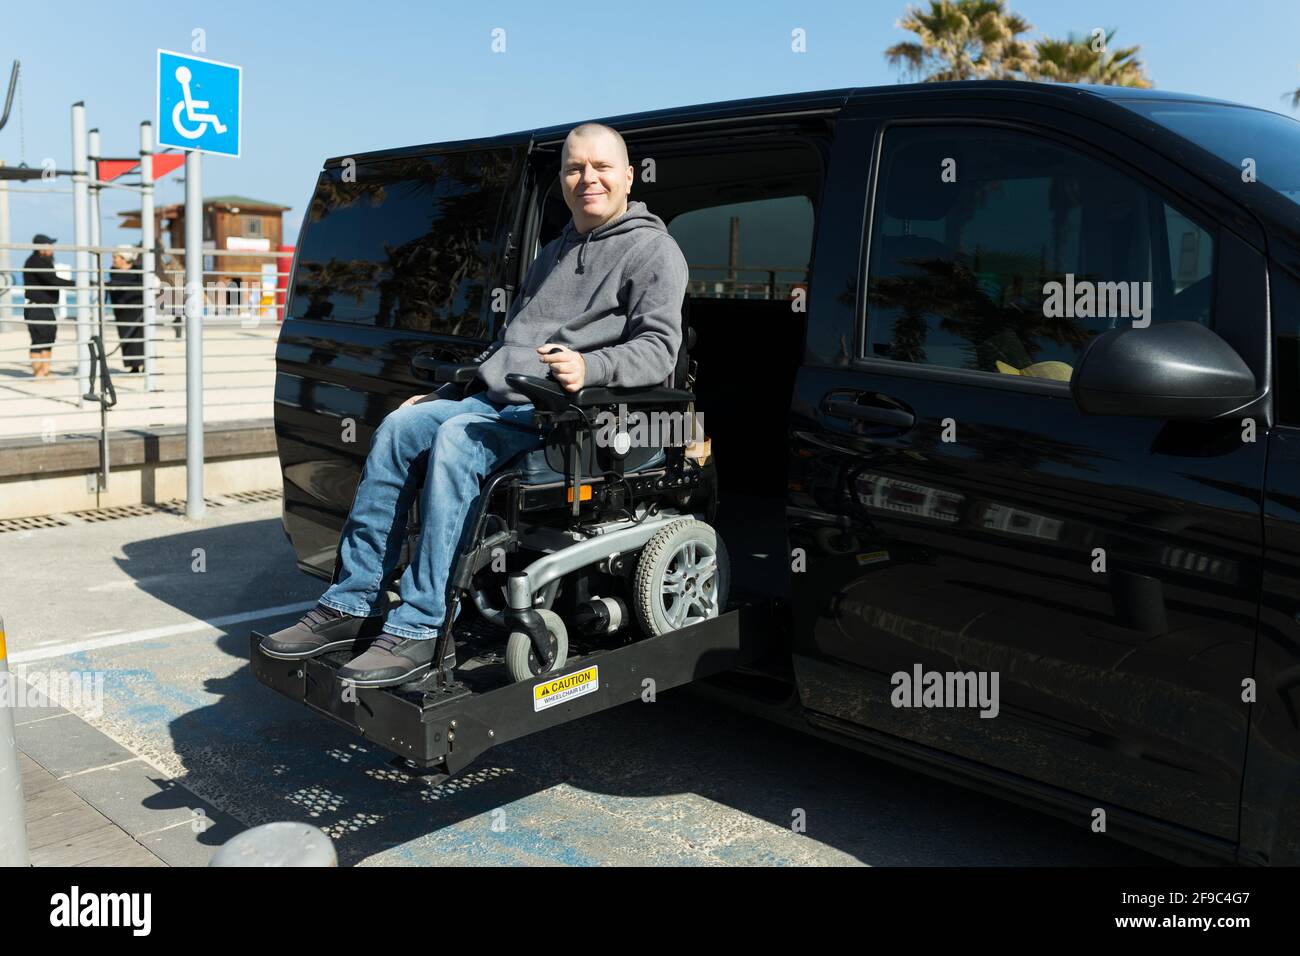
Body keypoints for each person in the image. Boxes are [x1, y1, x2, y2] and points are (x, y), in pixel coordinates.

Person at [260, 122, 690, 688]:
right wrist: (445, 394)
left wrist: (591, 368)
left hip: (572, 420)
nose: (588, 178)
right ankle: (354, 601)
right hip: (502, 404)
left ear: (628, 176)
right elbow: (509, 346)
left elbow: (659, 351)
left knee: (459, 440)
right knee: (402, 424)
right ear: (562, 179)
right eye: (575, 168)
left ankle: (419, 626)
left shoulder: (652, 249)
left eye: (602, 167)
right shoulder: (555, 251)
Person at [22, 234, 74, 378]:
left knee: (49, 338)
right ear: (41, 248)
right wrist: (76, 283)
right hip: (36, 307)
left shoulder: (44, 261)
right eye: (49, 245)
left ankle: (46, 371)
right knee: (38, 339)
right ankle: (38, 373)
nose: (52, 248)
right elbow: (51, 280)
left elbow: (51, 280)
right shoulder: (34, 261)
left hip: (45, 306)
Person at [106, 246, 145, 373]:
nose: (113, 260)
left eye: (115, 257)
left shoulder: (138, 271)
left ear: (124, 258)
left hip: (138, 309)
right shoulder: (113, 271)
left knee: (141, 336)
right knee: (125, 337)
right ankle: (134, 366)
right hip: (121, 310)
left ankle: (145, 362)